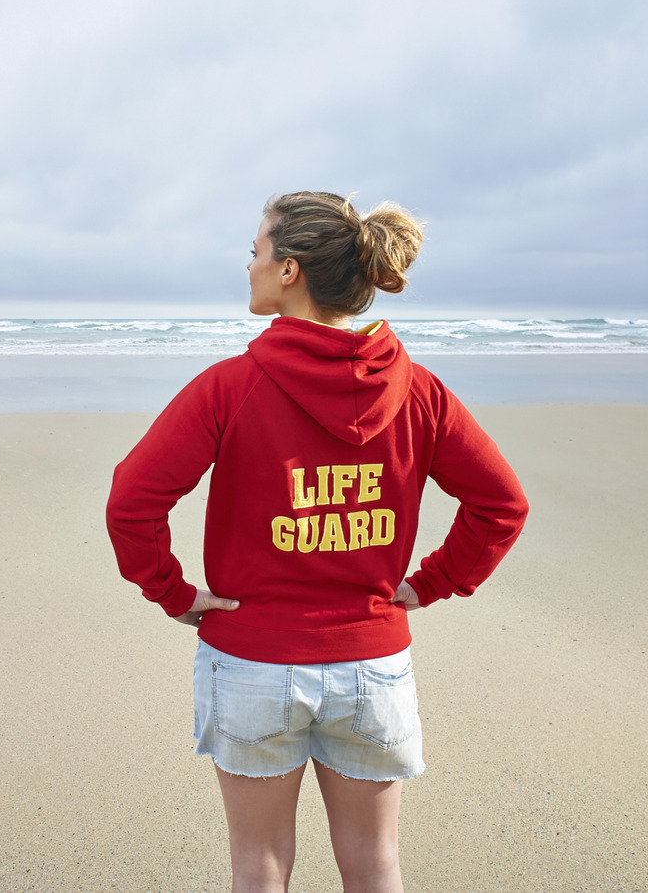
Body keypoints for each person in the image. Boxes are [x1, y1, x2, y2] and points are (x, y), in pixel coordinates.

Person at [105, 191, 528, 892]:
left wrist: (175, 594)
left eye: (257, 251)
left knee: (261, 865)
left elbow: (132, 500)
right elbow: (501, 502)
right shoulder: (418, 392)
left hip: (252, 661)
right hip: (372, 665)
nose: (249, 266)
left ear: (290, 270)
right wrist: (430, 582)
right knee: (374, 865)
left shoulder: (229, 388)